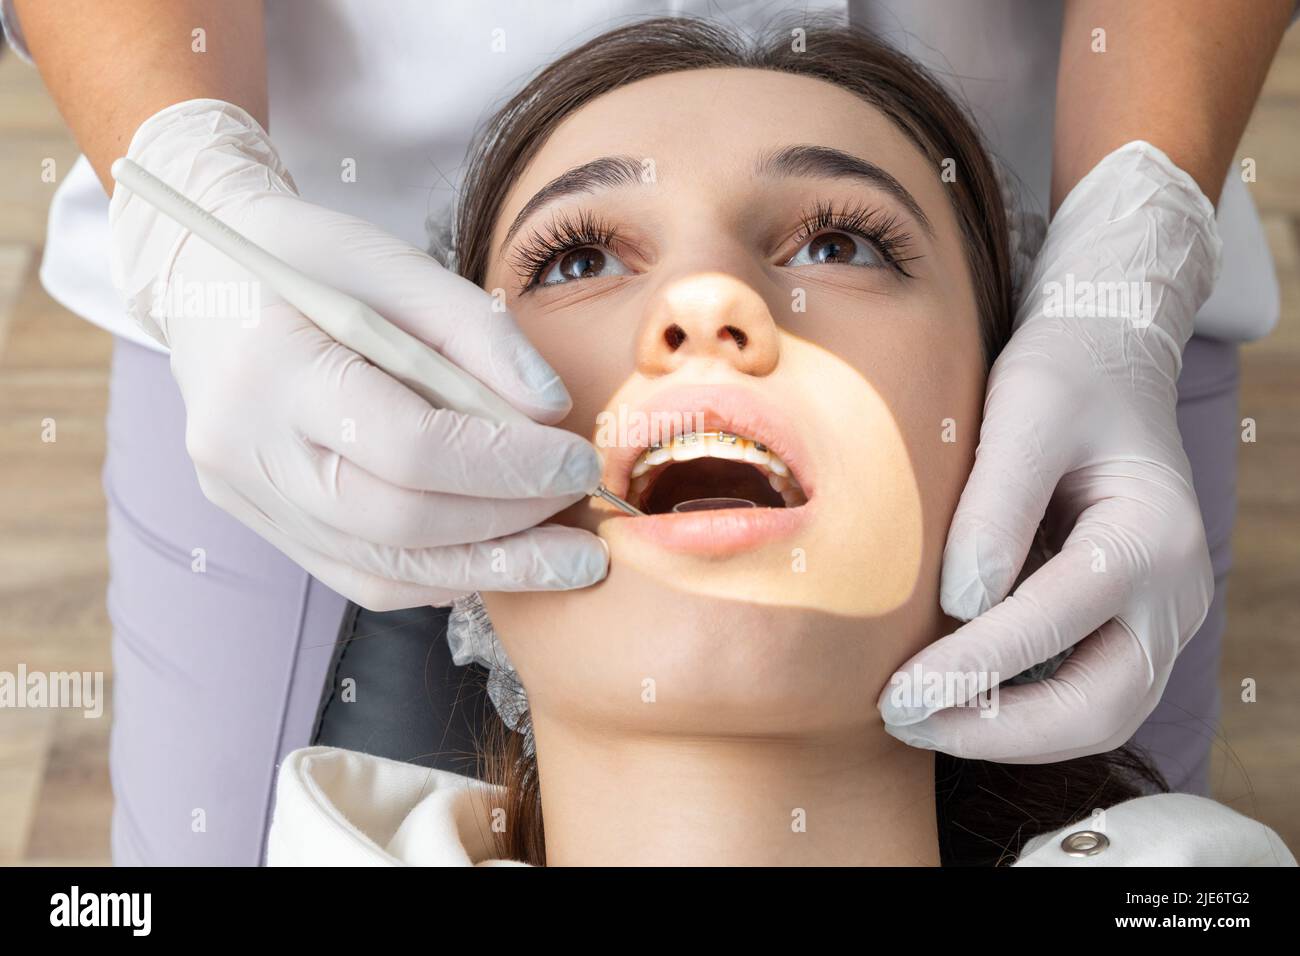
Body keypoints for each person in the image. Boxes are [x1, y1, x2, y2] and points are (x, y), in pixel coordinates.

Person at [2, 0, 1290, 865]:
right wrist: (188, 183)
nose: (707, 308)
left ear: (1010, 447)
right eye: (574, 260)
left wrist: (1133, 240)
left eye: (841, 243)